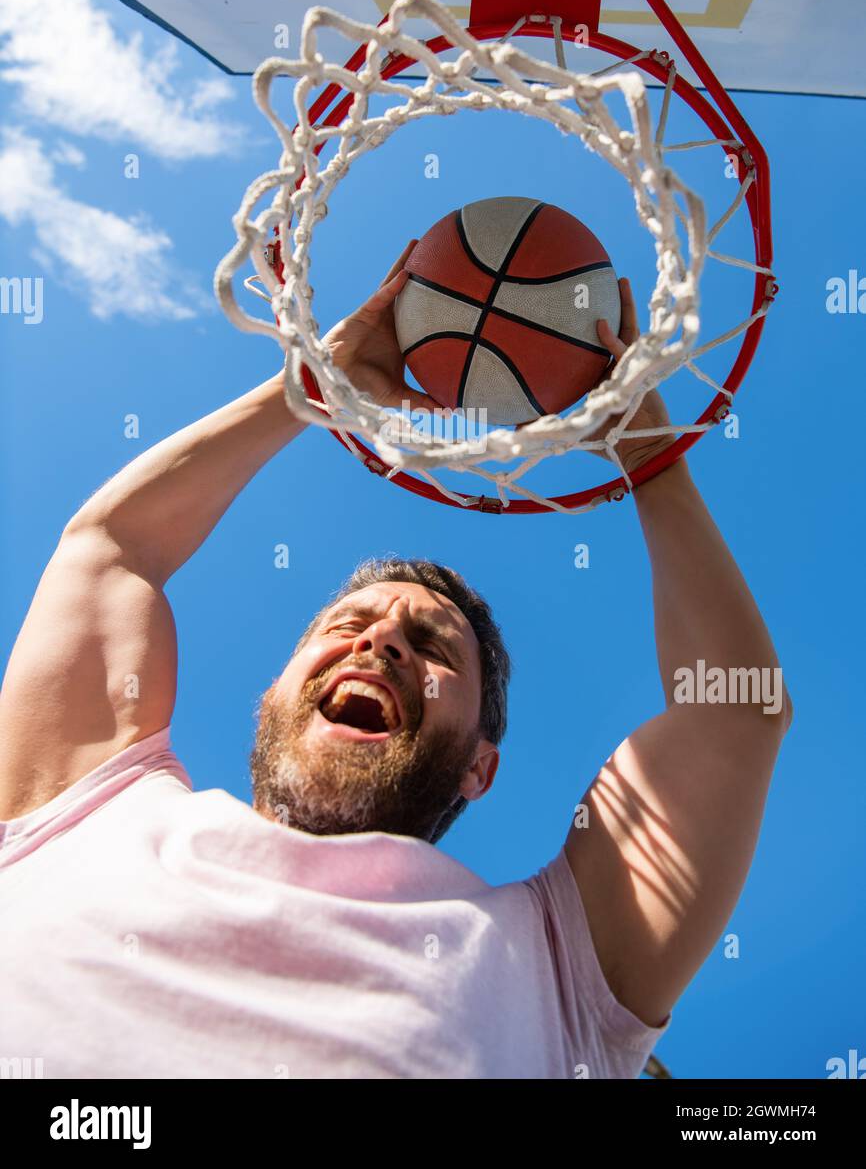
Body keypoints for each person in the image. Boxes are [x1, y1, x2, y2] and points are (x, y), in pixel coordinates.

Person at [0, 242, 791, 1080]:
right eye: (349, 625)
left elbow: (734, 712)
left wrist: (649, 455)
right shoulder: (87, 805)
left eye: (431, 646)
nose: (379, 643)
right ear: (271, 692)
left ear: (481, 766)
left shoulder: (559, 963)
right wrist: (310, 391)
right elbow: (110, 547)